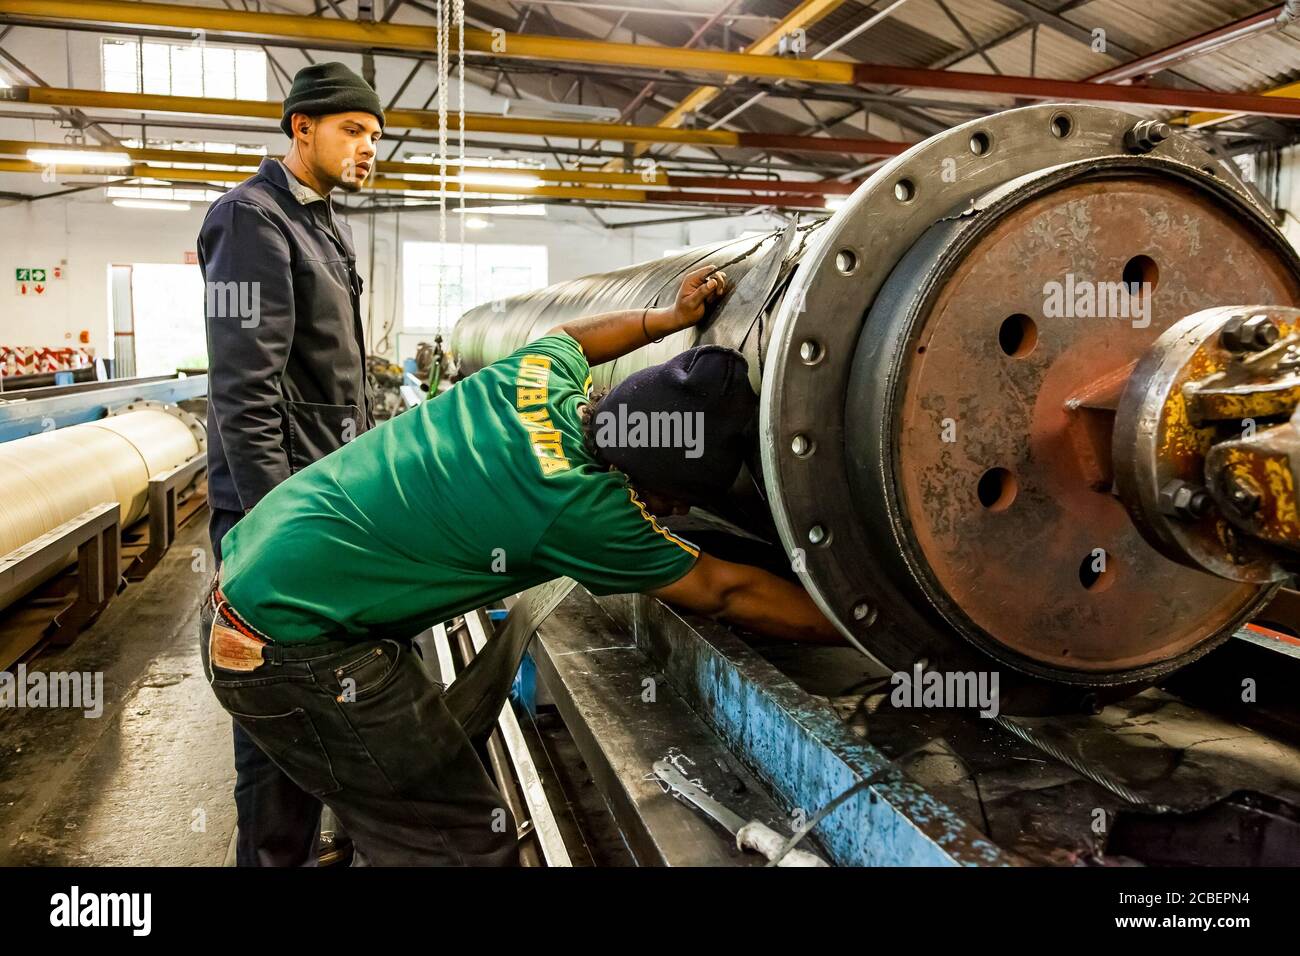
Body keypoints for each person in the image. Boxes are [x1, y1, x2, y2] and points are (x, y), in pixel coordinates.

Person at [199, 266, 842, 866]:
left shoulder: (539, 378)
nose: (669, 515)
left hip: (255, 571)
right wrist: (856, 627)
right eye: (675, 500)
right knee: (462, 840)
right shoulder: (586, 510)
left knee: (362, 782)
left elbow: (570, 336)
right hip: (288, 648)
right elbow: (727, 591)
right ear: (655, 479)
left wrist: (667, 317)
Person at [198, 61, 383, 866]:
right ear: (300, 127)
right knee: (277, 715)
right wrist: (279, 524)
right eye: (353, 129)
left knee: (316, 700)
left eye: (376, 134)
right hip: (276, 512)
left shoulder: (321, 222)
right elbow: (244, 389)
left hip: (322, 498)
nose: (369, 146)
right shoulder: (250, 219)